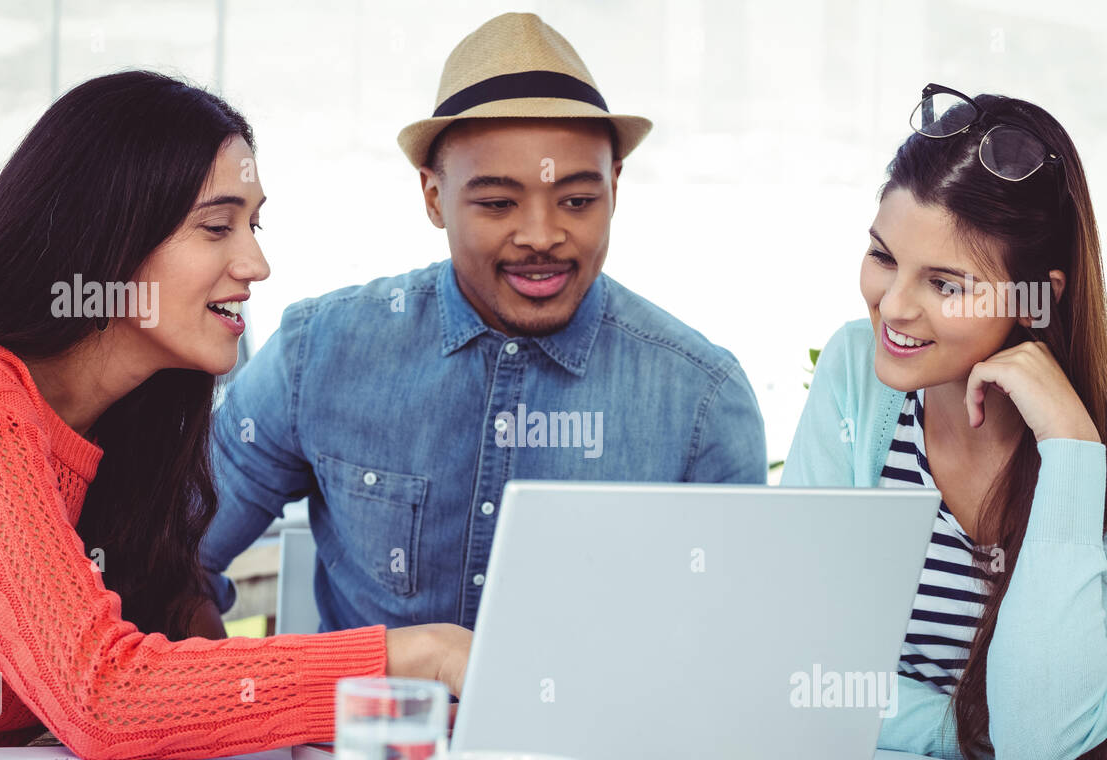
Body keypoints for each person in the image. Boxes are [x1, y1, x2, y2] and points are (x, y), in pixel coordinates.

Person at [0, 71, 468, 760]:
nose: (256, 263)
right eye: (217, 227)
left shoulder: (133, 423)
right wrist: (415, 655)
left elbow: (188, 669)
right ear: (109, 235)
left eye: (252, 225)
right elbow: (103, 698)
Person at [195, 13, 767, 638]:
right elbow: (176, 562)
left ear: (616, 186)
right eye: (497, 203)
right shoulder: (318, 354)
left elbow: (732, 645)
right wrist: (247, 704)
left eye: (578, 200)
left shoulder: (701, 399)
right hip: (375, 737)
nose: (542, 236)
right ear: (434, 197)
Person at [782, 84, 1107, 760]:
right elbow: (794, 668)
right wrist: (968, 734)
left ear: (1041, 295)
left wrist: (1070, 446)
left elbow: (1039, 738)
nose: (894, 306)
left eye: (946, 284)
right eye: (884, 256)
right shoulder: (857, 373)